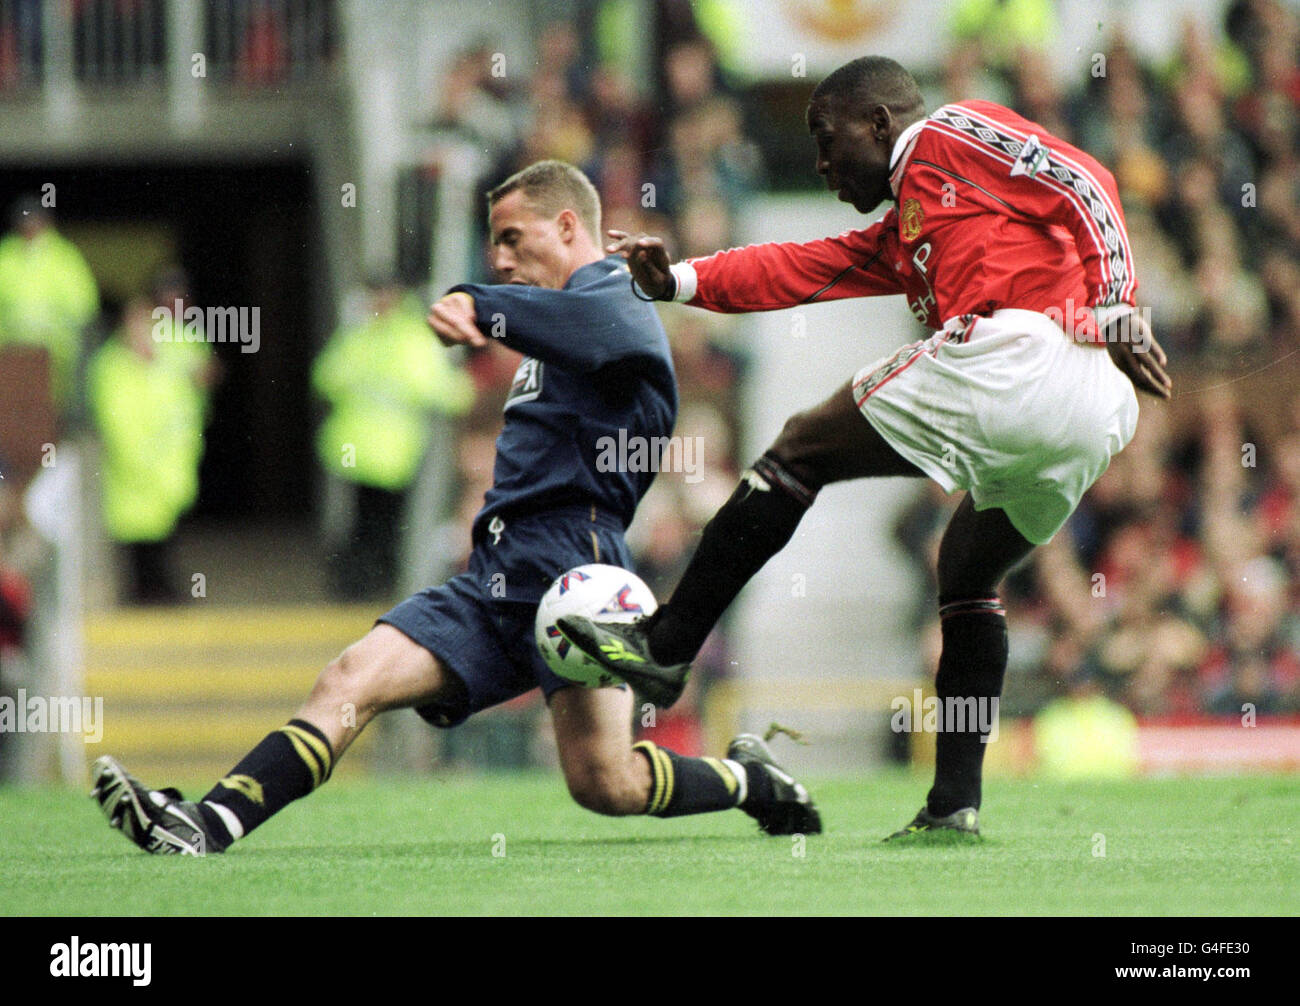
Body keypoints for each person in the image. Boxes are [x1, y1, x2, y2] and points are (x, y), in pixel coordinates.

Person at [90, 160, 820, 855]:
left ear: (569, 226)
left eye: (512, 238)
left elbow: (603, 334)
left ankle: (751, 779)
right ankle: (207, 823)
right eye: (491, 243)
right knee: (352, 678)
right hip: (497, 574)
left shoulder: (617, 298)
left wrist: (482, 303)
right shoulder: (565, 319)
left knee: (607, 782)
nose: (499, 257)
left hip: (577, 573)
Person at [557, 57, 1173, 840]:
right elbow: (794, 268)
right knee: (966, 571)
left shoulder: (949, 135)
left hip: (1034, 352)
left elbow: (1083, 181)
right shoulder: (904, 232)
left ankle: (669, 645)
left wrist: (1118, 302)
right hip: (1091, 415)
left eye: (827, 138)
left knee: (797, 451)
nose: (821, 163)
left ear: (881, 123)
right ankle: (954, 806)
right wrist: (674, 280)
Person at [312, 275, 474, 599]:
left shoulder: (407, 337)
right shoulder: (363, 334)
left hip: (390, 453)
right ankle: (360, 585)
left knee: (379, 524)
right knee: (367, 524)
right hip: (359, 450)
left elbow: (440, 389)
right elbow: (325, 378)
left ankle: (368, 584)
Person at [88, 298, 206, 604]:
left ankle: (161, 591)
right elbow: (117, 423)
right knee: (139, 546)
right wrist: (143, 462)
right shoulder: (113, 367)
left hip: (169, 471)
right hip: (135, 474)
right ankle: (147, 594)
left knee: (166, 541)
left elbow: (186, 406)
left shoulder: (166, 364)